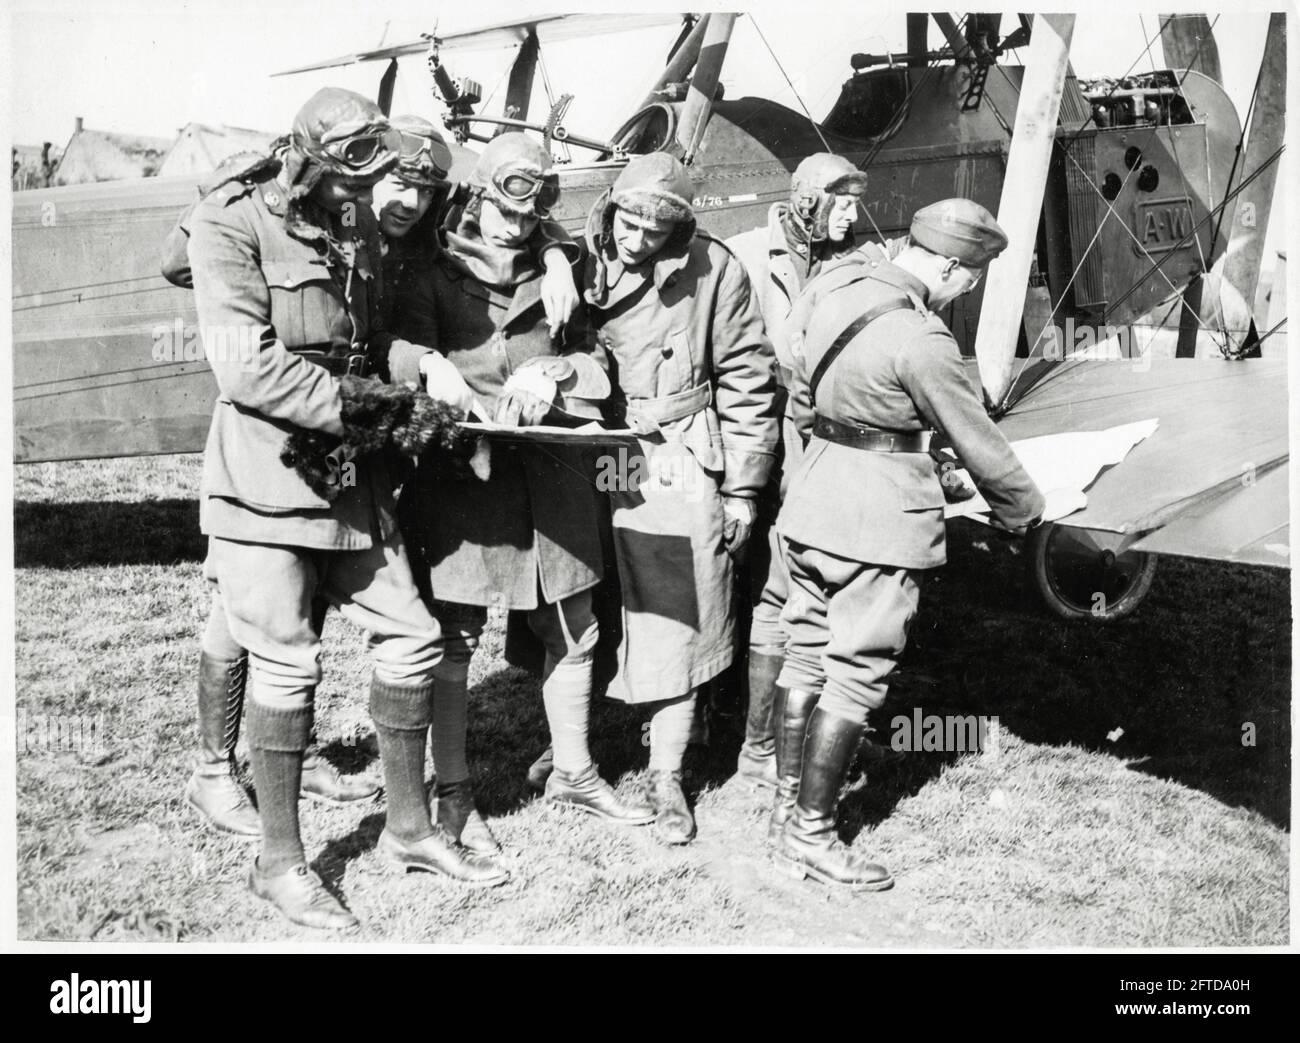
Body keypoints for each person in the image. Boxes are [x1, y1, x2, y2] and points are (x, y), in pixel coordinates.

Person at [186, 87, 507, 930]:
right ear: (305, 161)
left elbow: (364, 338)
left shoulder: (357, 220)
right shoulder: (231, 224)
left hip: (347, 479)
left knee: (412, 637)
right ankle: (281, 861)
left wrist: (417, 365)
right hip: (263, 483)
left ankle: (407, 828)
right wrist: (378, 408)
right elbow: (244, 370)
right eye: (344, 182)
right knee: (287, 663)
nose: (363, 199)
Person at [771, 198, 1047, 890]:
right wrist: (1025, 511)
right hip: (878, 520)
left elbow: (798, 386)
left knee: (804, 653)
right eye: (970, 280)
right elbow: (975, 437)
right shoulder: (923, 339)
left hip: (810, 498)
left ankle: (784, 809)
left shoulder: (833, 284)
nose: (964, 293)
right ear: (952, 266)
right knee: (856, 671)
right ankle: (811, 833)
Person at [390, 132, 656, 835]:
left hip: (554, 479)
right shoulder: (433, 271)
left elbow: (599, 369)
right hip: (466, 485)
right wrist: (425, 365)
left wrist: (557, 373)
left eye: (535, 211)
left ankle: (573, 771)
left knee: (575, 623)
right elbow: (392, 350)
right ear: (478, 198)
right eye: (509, 209)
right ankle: (452, 792)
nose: (521, 223)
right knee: (454, 637)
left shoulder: (560, 268)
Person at [582, 152, 779, 844]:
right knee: (581, 604)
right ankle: (574, 751)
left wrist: (744, 490)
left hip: (672, 453)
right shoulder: (575, 258)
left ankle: (668, 773)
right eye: (626, 221)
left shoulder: (714, 269)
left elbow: (748, 379)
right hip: (584, 452)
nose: (634, 239)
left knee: (675, 613)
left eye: (652, 229)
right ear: (609, 207)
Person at [723, 153, 871, 790]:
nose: (852, 215)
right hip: (751, 428)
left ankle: (763, 739)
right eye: (840, 203)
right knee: (732, 574)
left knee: (785, 584)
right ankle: (714, 722)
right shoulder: (746, 254)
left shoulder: (860, 258)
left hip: (815, 437)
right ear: (807, 201)